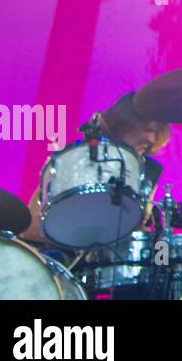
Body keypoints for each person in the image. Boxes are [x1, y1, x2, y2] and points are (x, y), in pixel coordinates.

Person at [22, 91, 170, 247]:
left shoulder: (149, 172)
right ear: (124, 122)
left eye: (157, 133)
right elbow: (31, 229)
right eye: (147, 129)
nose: (151, 139)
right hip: (65, 260)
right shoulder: (77, 158)